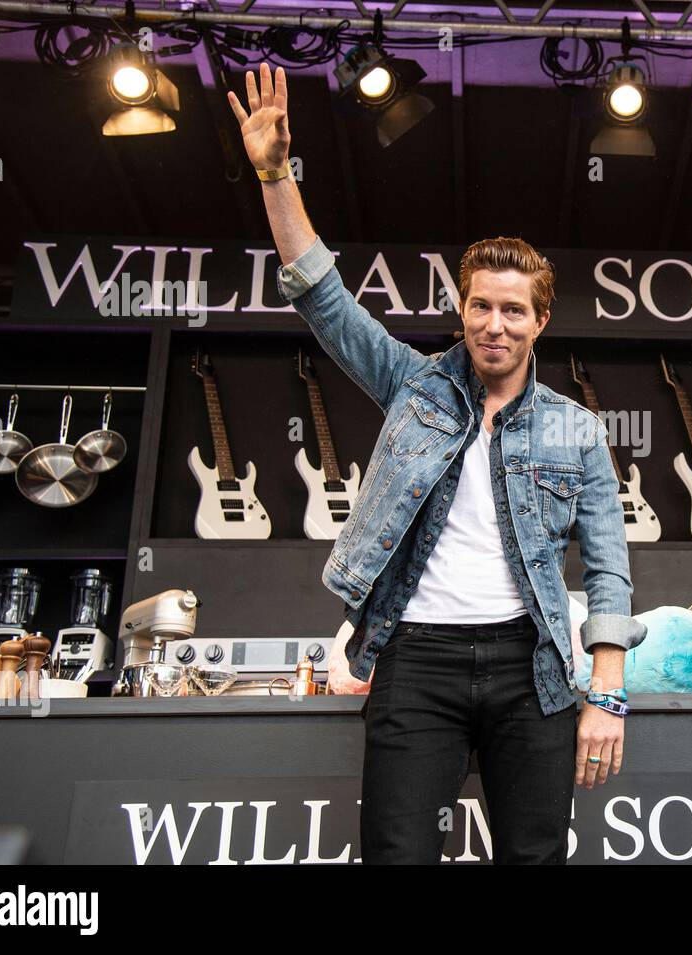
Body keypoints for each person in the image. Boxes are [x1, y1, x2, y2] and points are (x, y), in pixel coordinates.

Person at [227, 62, 645, 864]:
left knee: (534, 852)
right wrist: (276, 171)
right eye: (480, 305)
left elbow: (610, 567)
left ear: (540, 320)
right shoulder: (411, 383)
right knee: (396, 849)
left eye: (513, 310)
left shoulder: (578, 431)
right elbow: (321, 294)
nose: (495, 324)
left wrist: (608, 693)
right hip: (416, 651)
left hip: (534, 663)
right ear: (461, 307)